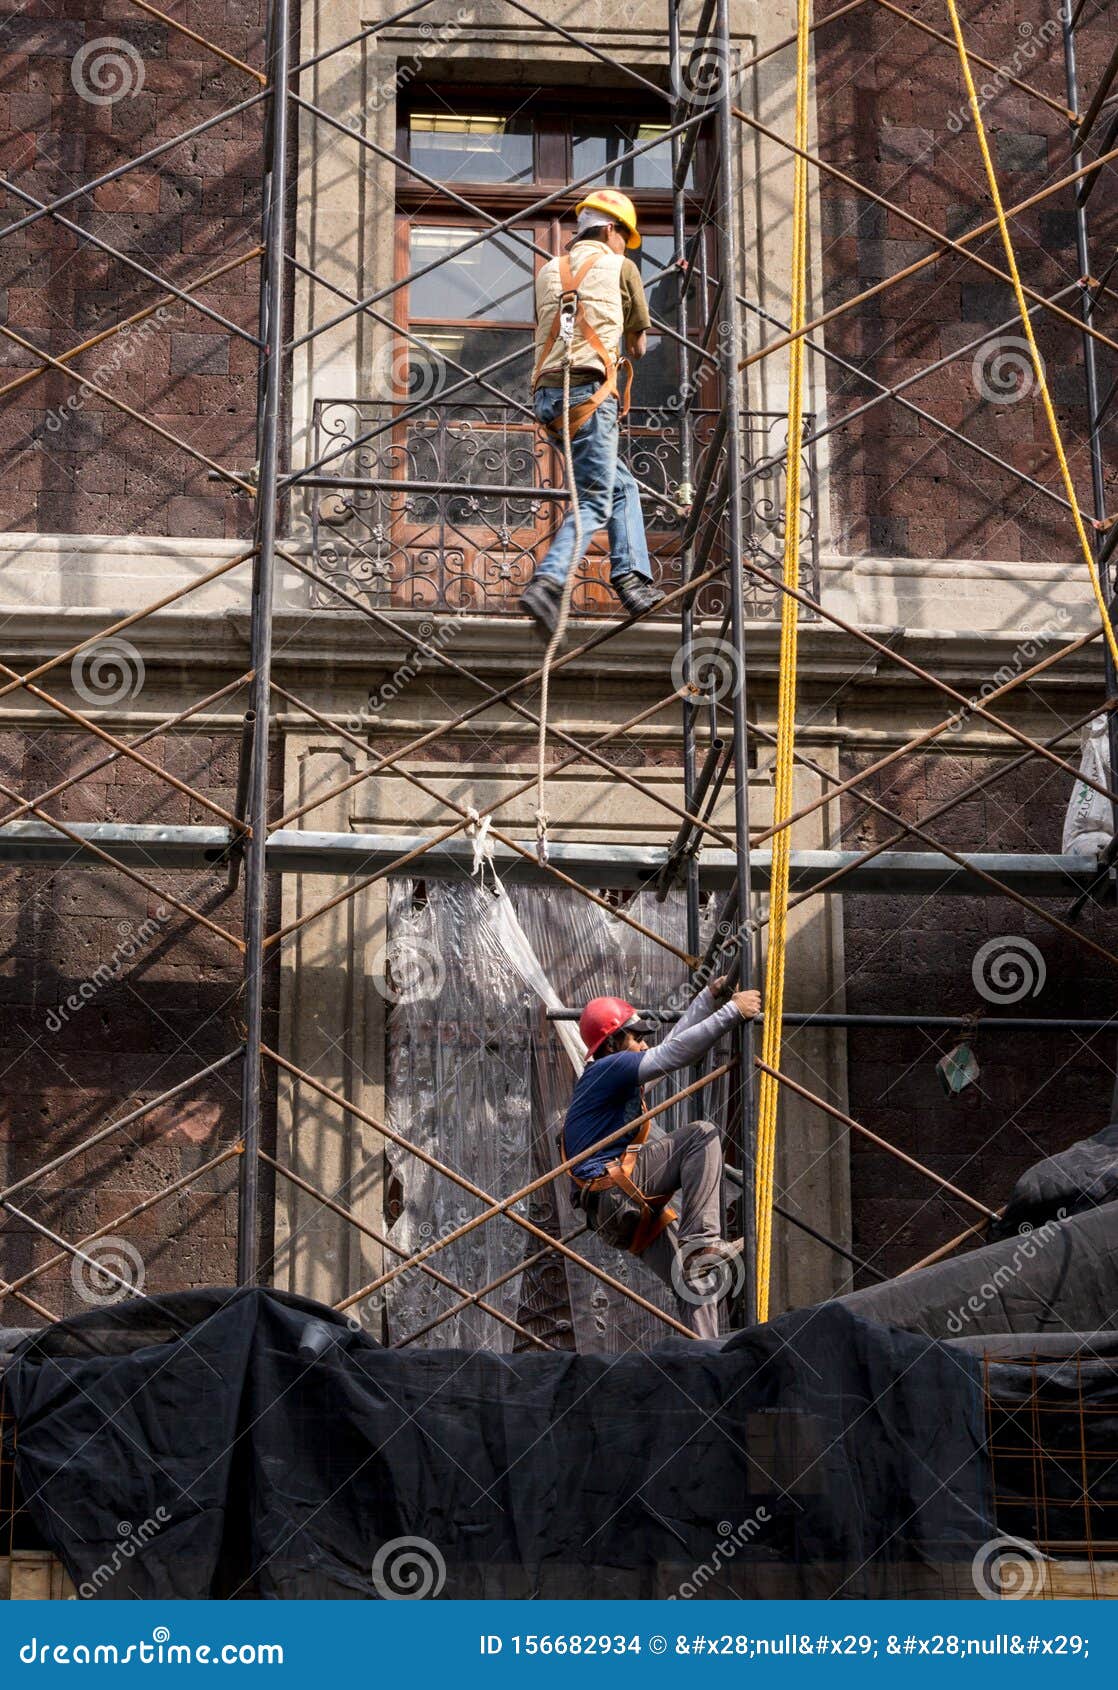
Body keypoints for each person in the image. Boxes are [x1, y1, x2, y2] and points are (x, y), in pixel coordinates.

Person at [563, 976, 762, 1339]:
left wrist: (707, 998)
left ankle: (707, 1363)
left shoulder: (614, 1080)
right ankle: (702, 1244)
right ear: (610, 1043)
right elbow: (674, 1054)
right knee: (701, 1135)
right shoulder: (610, 1068)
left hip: (613, 1209)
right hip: (616, 1193)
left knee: (696, 1283)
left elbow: (669, 1051)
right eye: (635, 1037)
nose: (642, 1045)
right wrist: (732, 1012)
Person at [520, 188, 665, 638]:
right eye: (625, 235)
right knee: (597, 499)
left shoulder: (547, 271)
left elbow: (554, 325)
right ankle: (548, 581)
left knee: (619, 485)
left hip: (550, 399)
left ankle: (630, 578)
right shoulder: (623, 268)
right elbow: (639, 347)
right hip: (587, 394)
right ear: (610, 230)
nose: (626, 244)